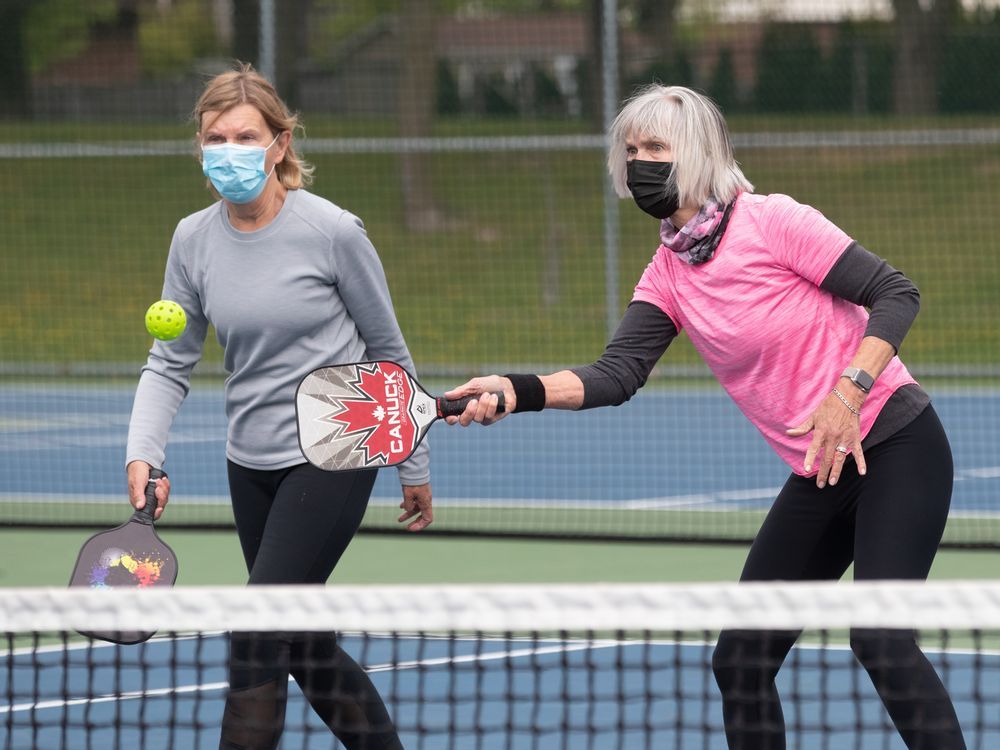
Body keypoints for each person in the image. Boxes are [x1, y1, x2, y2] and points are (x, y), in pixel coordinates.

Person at [444, 84, 965, 749]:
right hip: (822, 469)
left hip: (897, 445)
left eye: (655, 147)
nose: (640, 163)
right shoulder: (667, 273)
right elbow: (616, 374)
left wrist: (848, 391)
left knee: (881, 640)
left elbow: (896, 292)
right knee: (741, 660)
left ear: (696, 154)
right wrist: (515, 390)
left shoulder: (772, 221)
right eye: (631, 150)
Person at [125, 63, 429, 750]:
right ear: (199, 146)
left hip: (339, 448)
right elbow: (170, 361)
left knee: (257, 629)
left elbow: (388, 351)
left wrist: (414, 464)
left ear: (280, 143)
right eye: (215, 138)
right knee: (305, 648)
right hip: (249, 459)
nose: (229, 150)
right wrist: (143, 450)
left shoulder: (333, 232)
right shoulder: (192, 240)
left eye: (245, 136)